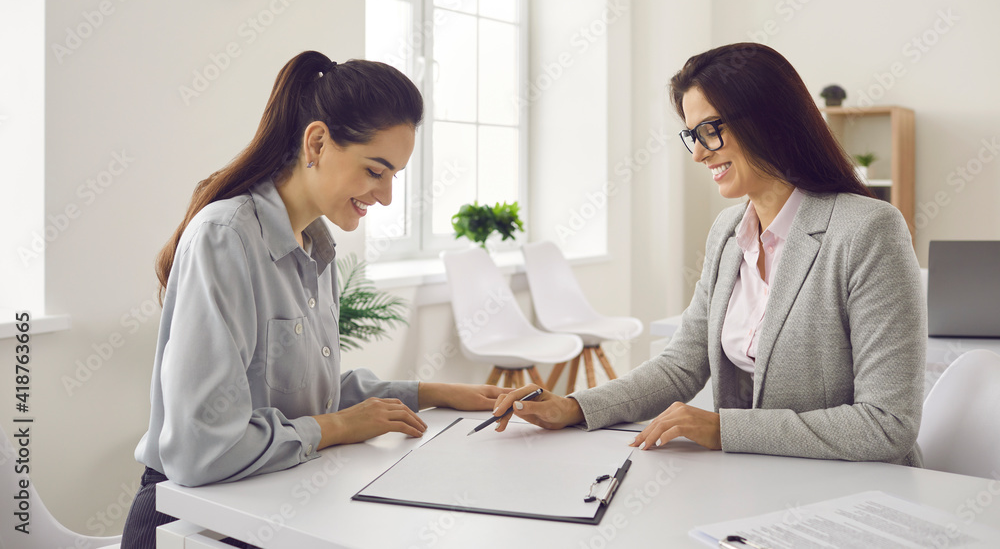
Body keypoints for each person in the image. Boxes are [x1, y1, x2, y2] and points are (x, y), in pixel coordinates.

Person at [121, 51, 506, 548]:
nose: (386, 196)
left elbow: (302, 395)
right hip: (191, 522)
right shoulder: (226, 238)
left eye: (394, 176)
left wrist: (437, 393)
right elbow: (203, 448)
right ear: (318, 142)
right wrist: (339, 427)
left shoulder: (314, 246)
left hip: (265, 506)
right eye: (375, 171)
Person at [493, 42, 926, 466]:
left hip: (852, 495)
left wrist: (724, 430)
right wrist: (574, 407)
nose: (699, 153)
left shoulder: (868, 230)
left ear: (769, 121)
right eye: (691, 136)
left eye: (709, 131)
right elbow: (681, 365)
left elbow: (887, 423)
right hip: (759, 480)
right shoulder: (727, 233)